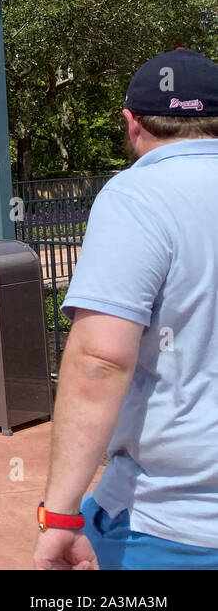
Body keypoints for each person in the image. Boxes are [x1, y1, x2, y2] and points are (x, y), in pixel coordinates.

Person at [35, 48, 218, 571]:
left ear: (131, 123)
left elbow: (101, 361)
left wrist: (62, 516)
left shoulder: (137, 195)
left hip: (170, 522)